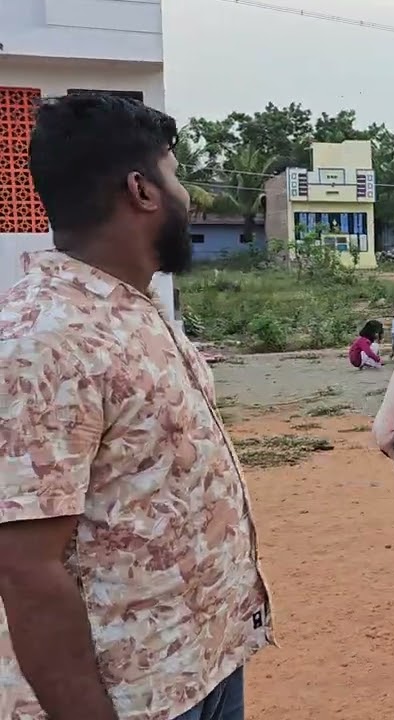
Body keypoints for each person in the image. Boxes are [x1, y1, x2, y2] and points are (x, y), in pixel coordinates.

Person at [0, 93, 272, 720]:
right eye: (176, 174)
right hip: (128, 698)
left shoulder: (132, 308)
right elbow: (25, 569)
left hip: (200, 663)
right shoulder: (42, 338)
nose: (188, 197)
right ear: (142, 190)